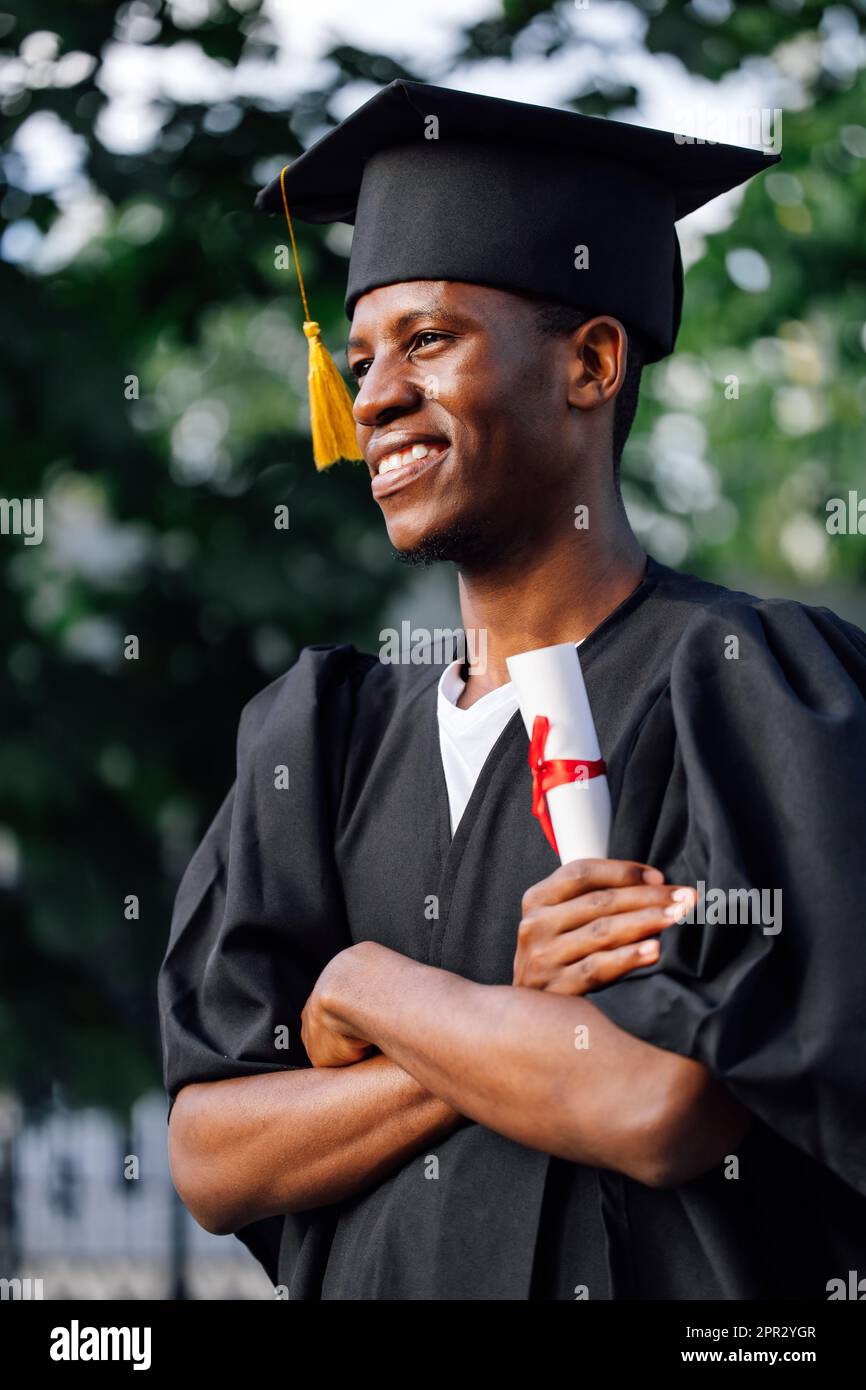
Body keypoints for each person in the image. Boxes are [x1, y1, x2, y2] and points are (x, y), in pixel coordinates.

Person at [158, 81, 866, 1300]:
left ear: (590, 362)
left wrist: (364, 989)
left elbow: (653, 1101)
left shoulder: (745, 684)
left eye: (428, 340)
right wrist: (503, 1013)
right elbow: (212, 1153)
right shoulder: (320, 738)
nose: (374, 394)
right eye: (363, 353)